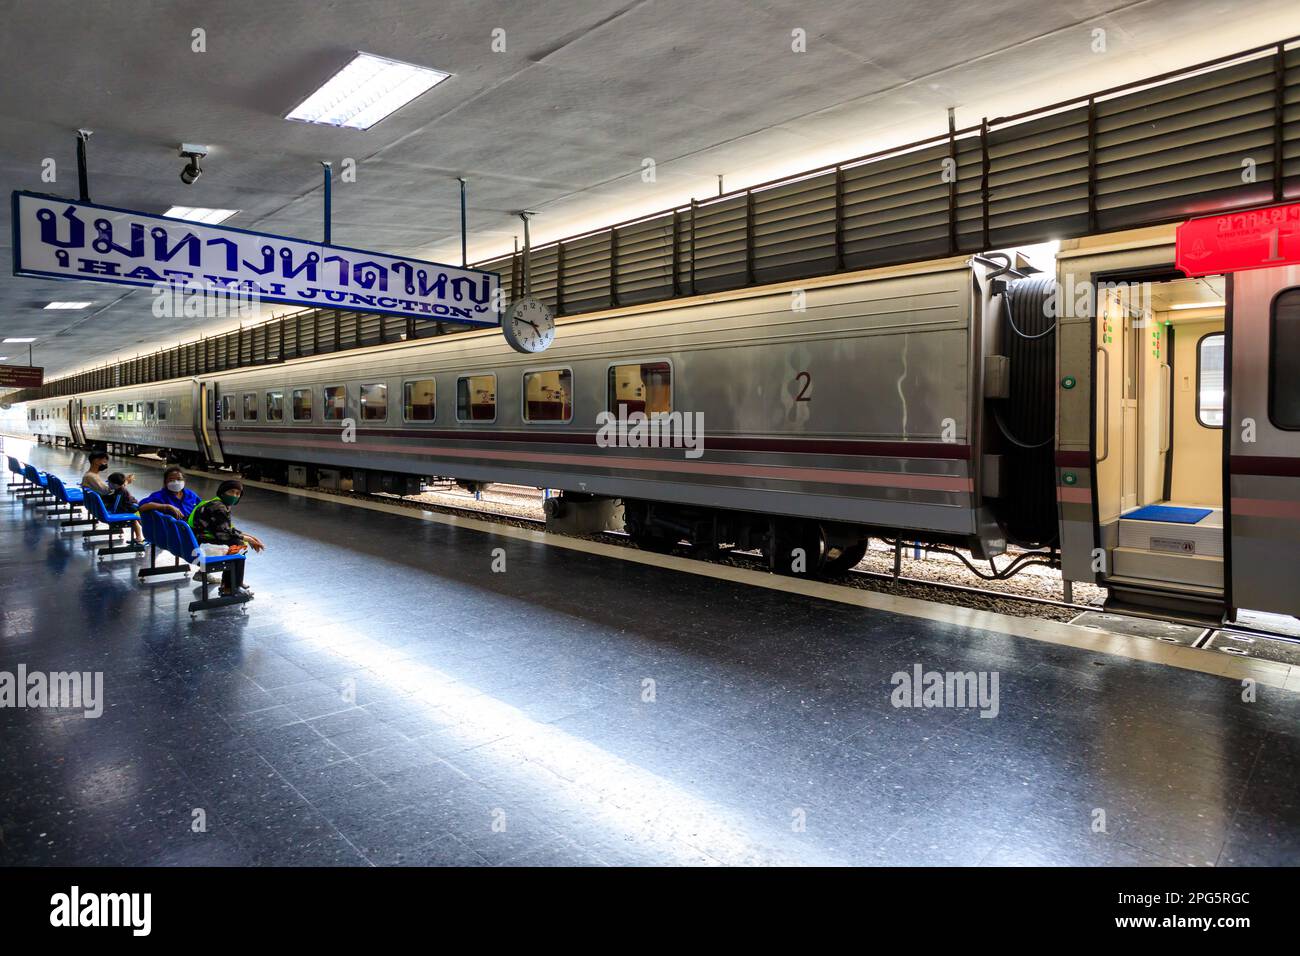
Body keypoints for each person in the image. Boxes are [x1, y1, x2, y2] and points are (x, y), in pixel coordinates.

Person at [187, 479, 265, 597]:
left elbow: (227, 529)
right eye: (231, 492)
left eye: (237, 494)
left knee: (237, 542)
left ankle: (233, 583)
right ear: (223, 492)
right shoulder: (219, 508)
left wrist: (251, 537)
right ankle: (231, 587)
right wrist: (248, 540)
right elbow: (224, 534)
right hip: (201, 547)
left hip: (196, 542)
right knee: (237, 545)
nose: (234, 495)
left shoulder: (215, 503)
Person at [137, 466, 201, 520]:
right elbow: (142, 507)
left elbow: (201, 506)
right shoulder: (160, 495)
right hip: (174, 531)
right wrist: (167, 506)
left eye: (179, 479)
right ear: (165, 482)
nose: (176, 482)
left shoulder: (190, 494)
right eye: (171, 480)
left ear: (184, 481)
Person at [103, 472, 145, 546]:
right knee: (135, 522)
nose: (108, 485)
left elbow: (116, 504)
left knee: (142, 523)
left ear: (115, 485)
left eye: (109, 483)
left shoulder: (120, 492)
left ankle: (149, 536)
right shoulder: (119, 489)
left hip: (135, 509)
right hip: (131, 509)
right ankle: (139, 538)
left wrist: (114, 512)